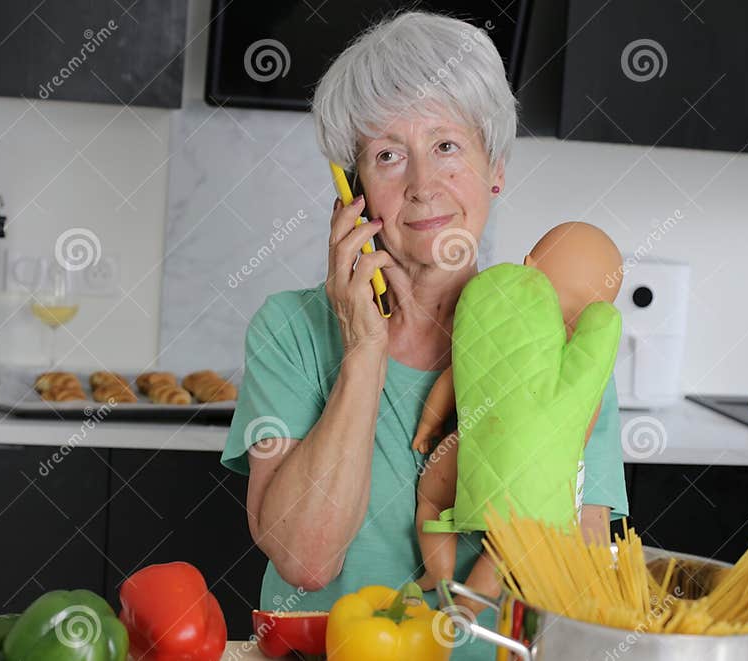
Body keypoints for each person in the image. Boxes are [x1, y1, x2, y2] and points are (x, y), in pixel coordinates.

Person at [220, 11, 627, 660]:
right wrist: (364, 351)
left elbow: (575, 579)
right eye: (387, 155)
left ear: (494, 167)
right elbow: (306, 560)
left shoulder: (561, 344)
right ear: (351, 191)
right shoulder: (290, 330)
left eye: (446, 146)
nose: (421, 185)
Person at [413, 221, 624, 593]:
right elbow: (582, 424)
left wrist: (430, 426)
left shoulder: (488, 335)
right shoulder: (584, 373)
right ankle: (472, 603)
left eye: (577, 318)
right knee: (516, 542)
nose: (566, 324)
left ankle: (439, 573)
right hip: (541, 468)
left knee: (431, 498)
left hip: (471, 445)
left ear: (528, 268)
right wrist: (564, 456)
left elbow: (453, 379)